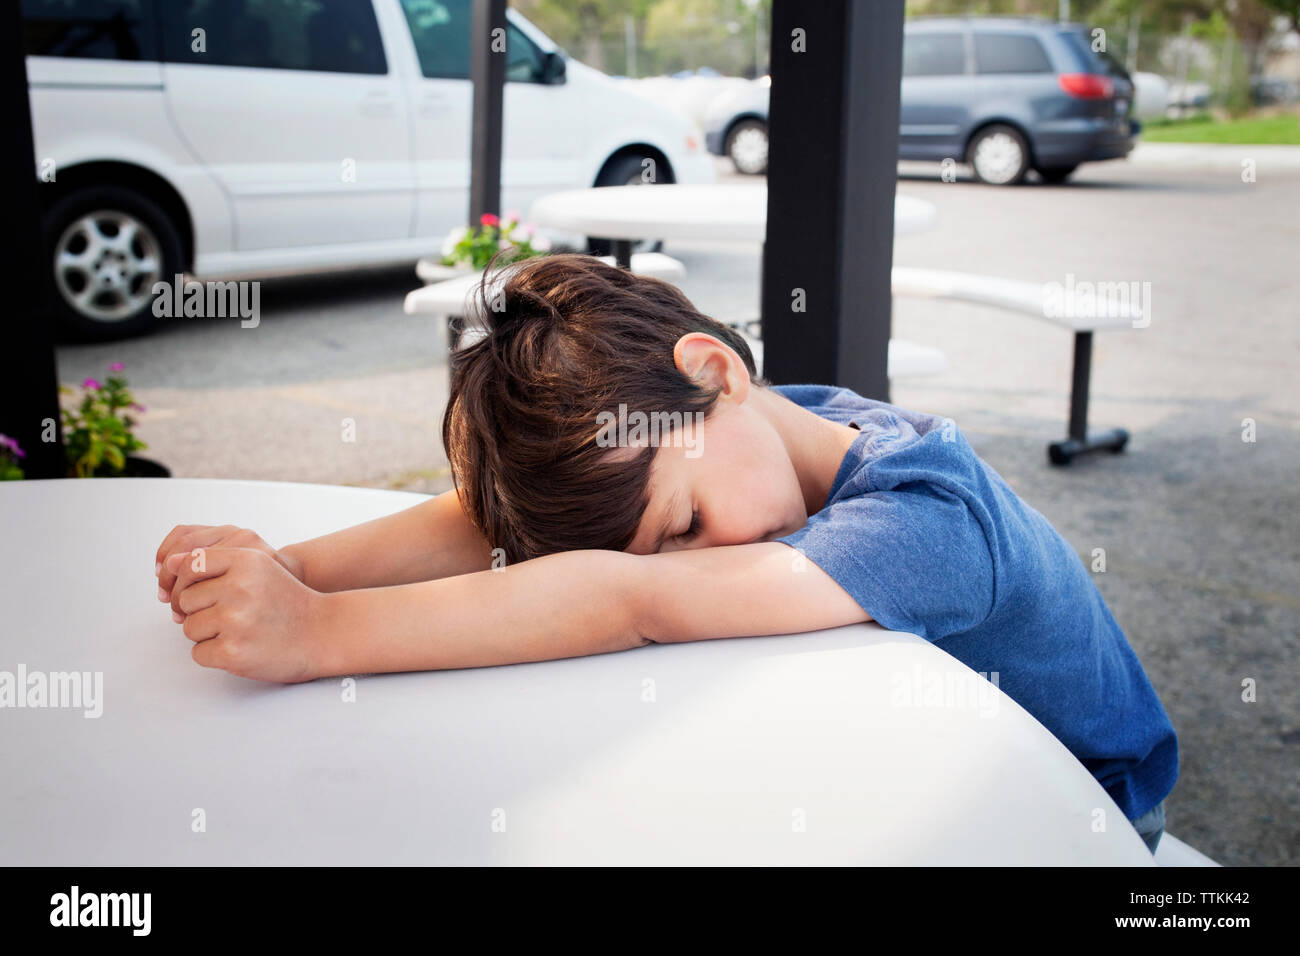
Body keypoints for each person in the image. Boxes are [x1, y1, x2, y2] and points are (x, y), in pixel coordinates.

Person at [154, 253, 1177, 851]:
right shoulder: (770, 418)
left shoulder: (926, 525)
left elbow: (629, 597)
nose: (694, 551)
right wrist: (291, 566)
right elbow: (491, 521)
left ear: (714, 368)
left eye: (683, 523)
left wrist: (319, 633)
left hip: (1076, 811)